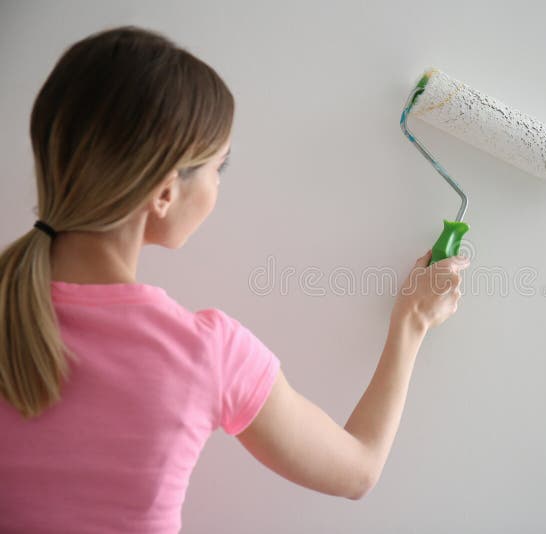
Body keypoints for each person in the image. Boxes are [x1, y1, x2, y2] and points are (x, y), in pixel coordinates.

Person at [0, 25, 469, 533]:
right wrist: (411, 323)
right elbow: (357, 471)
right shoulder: (204, 353)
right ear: (163, 194)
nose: (218, 185)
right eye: (218, 167)